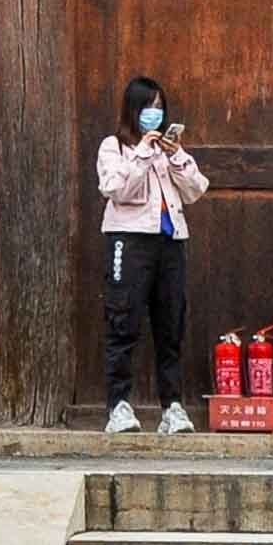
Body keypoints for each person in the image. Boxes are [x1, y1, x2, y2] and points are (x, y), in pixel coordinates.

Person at [96, 75, 209, 436]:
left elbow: (196, 190)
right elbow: (116, 189)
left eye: (160, 108)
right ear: (134, 109)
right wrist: (143, 152)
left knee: (170, 323)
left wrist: (177, 158)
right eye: (148, 107)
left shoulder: (166, 150)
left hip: (170, 240)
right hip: (129, 241)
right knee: (123, 321)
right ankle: (118, 406)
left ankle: (172, 408)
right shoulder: (114, 147)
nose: (154, 114)